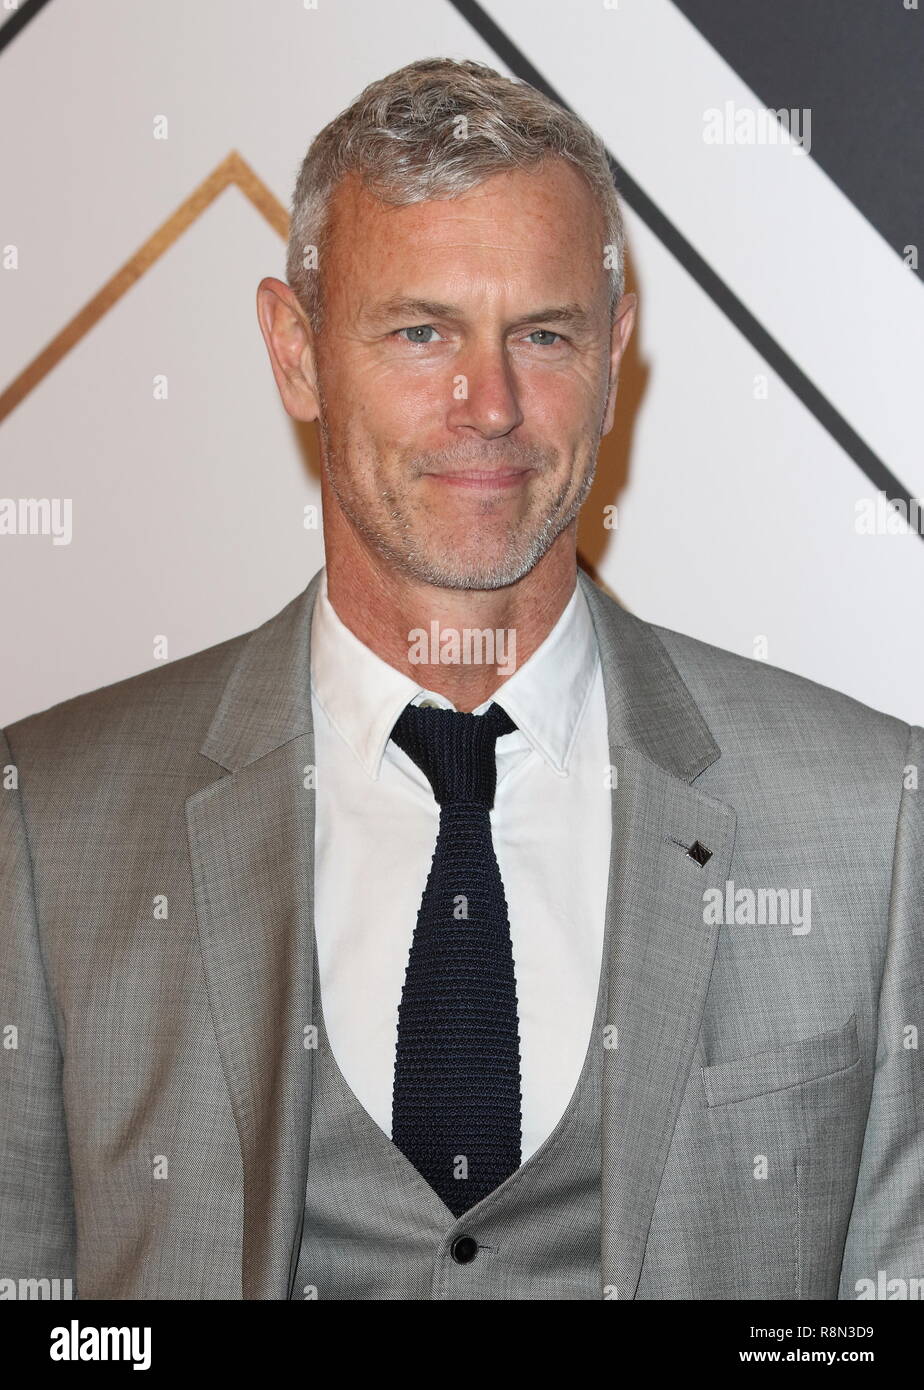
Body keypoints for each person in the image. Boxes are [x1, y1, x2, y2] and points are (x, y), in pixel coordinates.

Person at [1, 57, 921, 1301]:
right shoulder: (49, 822)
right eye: (420, 330)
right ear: (295, 353)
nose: (486, 404)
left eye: (542, 334)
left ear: (613, 357)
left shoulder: (876, 821)